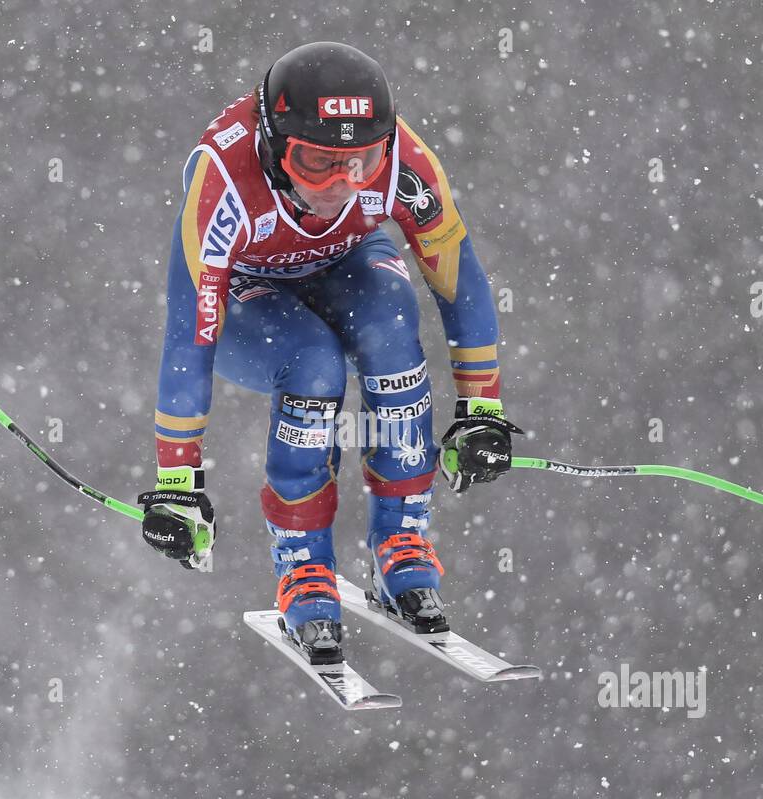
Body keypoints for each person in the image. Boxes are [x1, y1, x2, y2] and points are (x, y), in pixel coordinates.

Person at [140, 41, 521, 664]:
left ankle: (402, 541)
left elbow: (459, 277)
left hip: (345, 265)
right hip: (246, 295)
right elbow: (191, 336)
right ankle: (303, 567)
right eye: (317, 162)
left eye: (361, 162)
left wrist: (483, 408)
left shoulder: (405, 160)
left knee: (393, 325)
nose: (342, 185)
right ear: (272, 144)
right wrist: (177, 480)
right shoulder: (225, 178)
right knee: (313, 363)